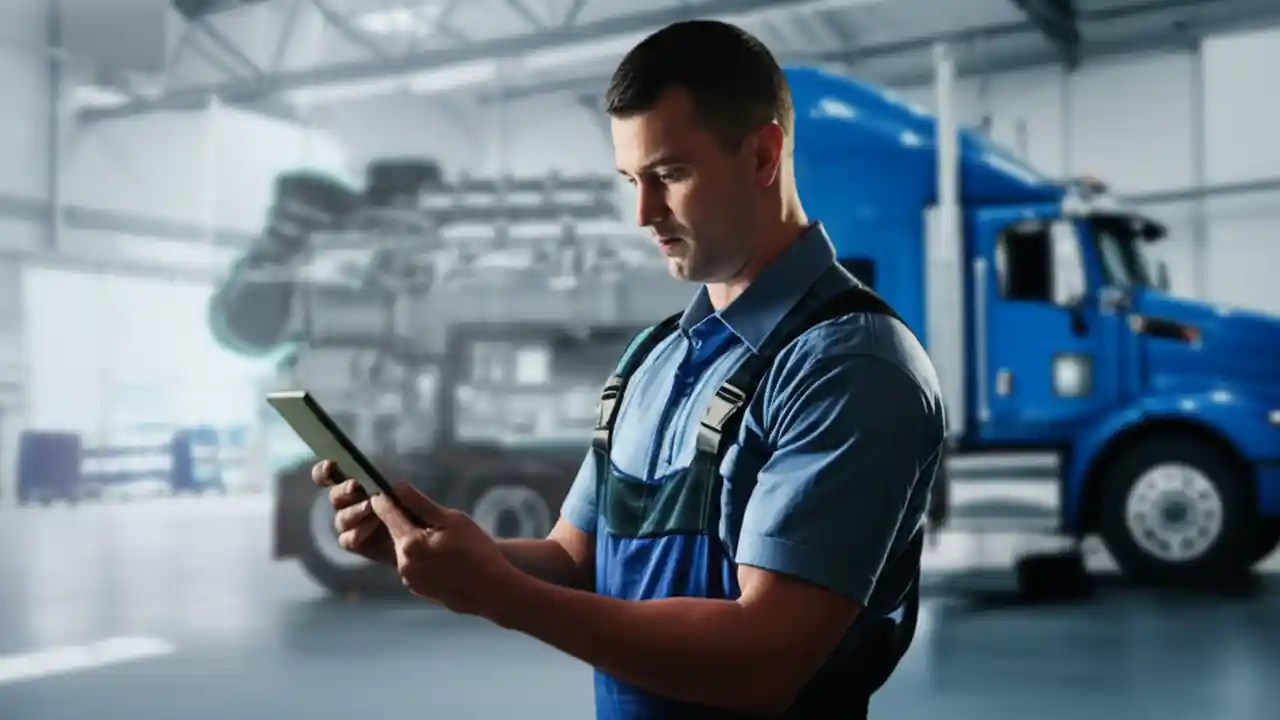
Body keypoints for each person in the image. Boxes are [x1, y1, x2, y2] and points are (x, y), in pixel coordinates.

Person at [312, 18, 946, 720]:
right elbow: (577, 562)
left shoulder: (849, 366)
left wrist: (502, 595)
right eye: (630, 180)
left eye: (670, 174)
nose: (643, 213)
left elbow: (763, 660)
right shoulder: (654, 359)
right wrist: (443, 555)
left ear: (764, 155)